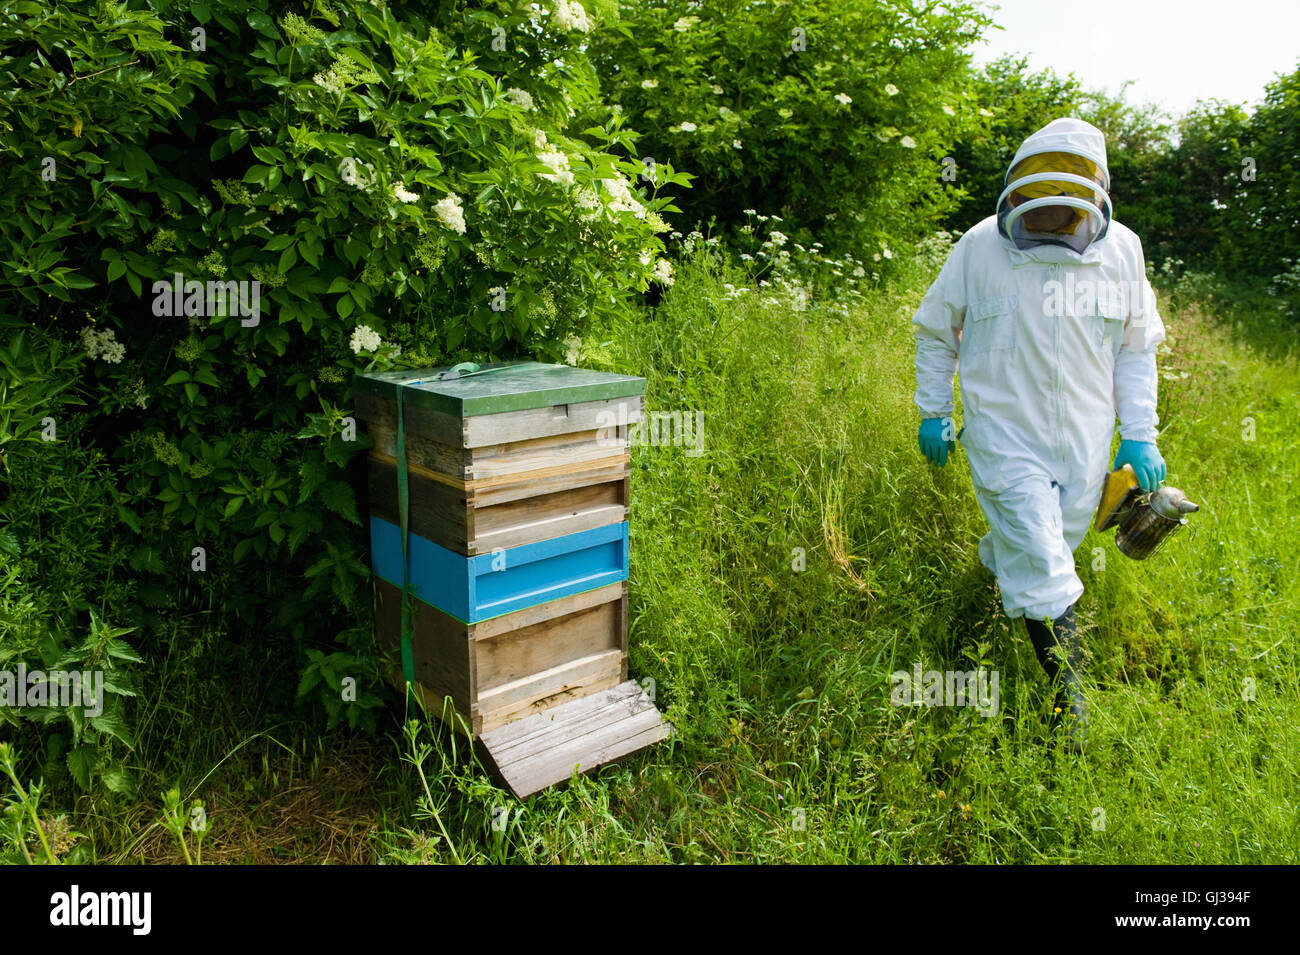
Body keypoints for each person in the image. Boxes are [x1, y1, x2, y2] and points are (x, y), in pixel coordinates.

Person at [911, 117, 1167, 752]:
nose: (1051, 224)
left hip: (1084, 439)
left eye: (1064, 214)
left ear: (1092, 201)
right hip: (1003, 434)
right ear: (1019, 196)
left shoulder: (1125, 250)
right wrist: (931, 409)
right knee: (1046, 559)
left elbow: (1136, 349)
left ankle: (981, 592)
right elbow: (937, 330)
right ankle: (1068, 700)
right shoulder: (978, 246)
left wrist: (1139, 434)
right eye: (1040, 211)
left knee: (1051, 540)